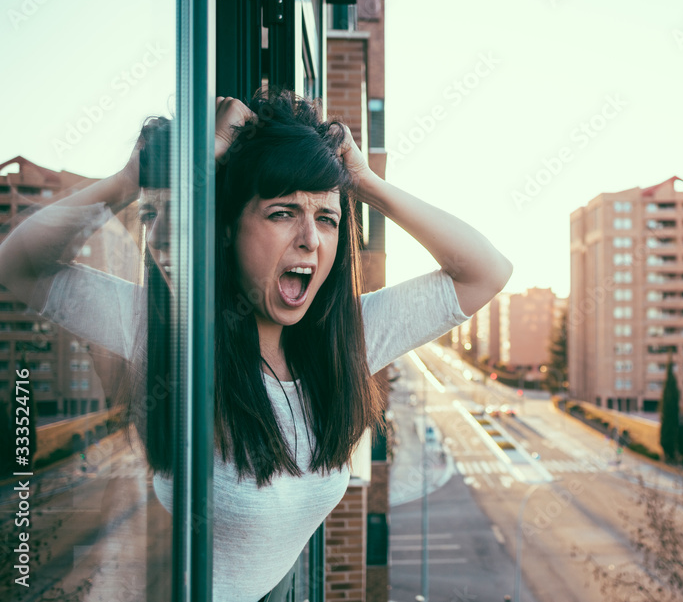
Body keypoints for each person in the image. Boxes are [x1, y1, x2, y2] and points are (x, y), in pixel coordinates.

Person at [0, 90, 513, 601]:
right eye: (283, 213)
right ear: (226, 230)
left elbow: (485, 272)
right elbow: (20, 265)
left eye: (327, 219)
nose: (311, 239)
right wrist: (133, 179)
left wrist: (365, 184)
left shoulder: (349, 338)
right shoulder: (162, 329)